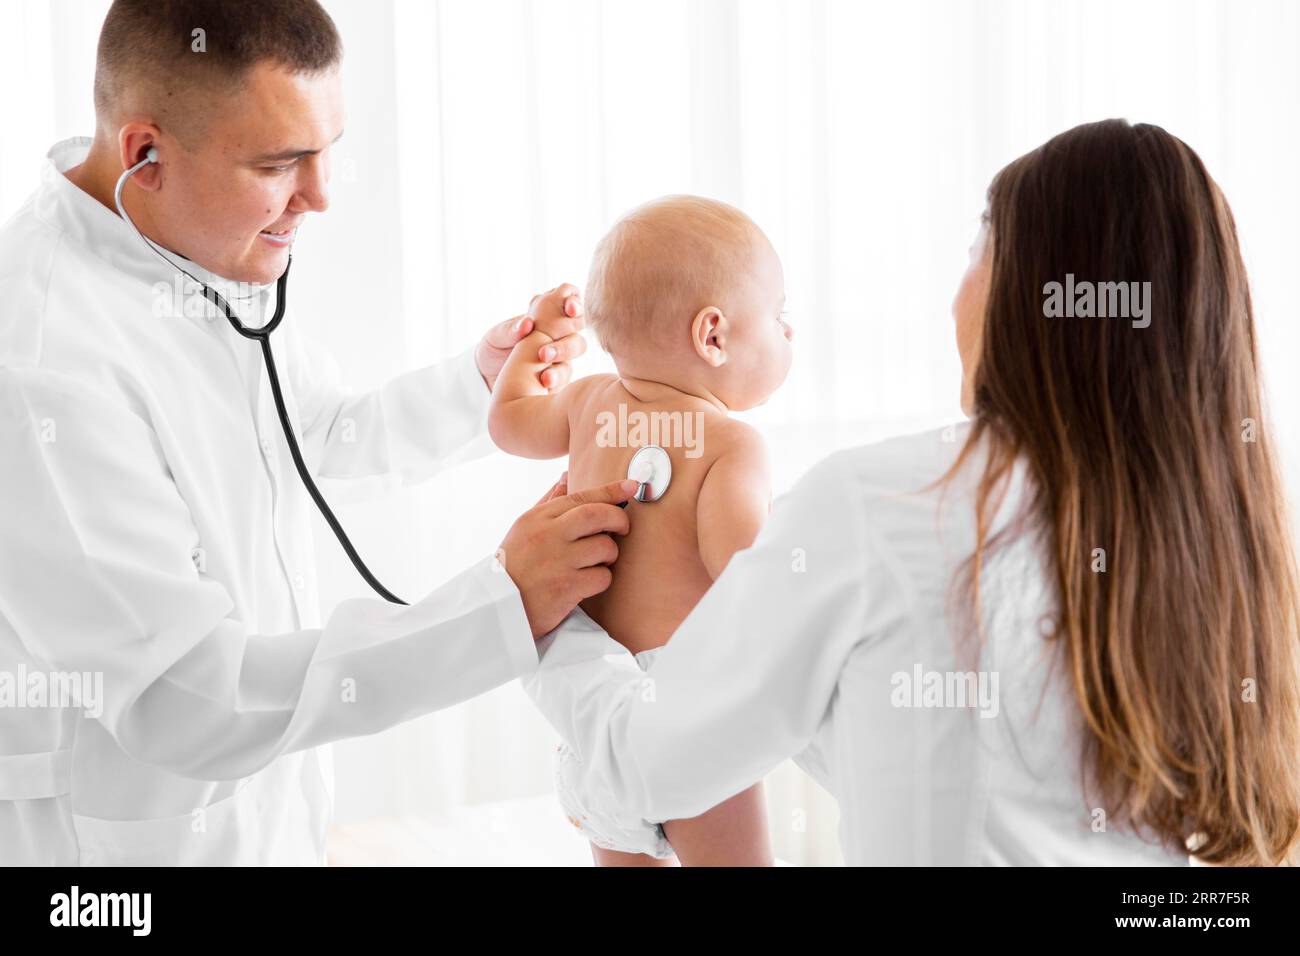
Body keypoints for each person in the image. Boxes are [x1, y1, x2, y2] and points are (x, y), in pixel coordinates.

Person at [525, 120, 1300, 866]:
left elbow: (647, 765)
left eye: (976, 247)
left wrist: (539, 618)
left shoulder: (879, 507)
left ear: (1030, 292)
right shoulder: (1232, 549)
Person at [0, 0, 634, 866]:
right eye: (279, 164)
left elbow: (315, 439)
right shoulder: (41, 361)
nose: (321, 195)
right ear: (144, 154)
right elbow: (184, 697)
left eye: (328, 147)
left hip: (274, 829)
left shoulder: (187, 245)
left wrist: (481, 384)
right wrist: (501, 604)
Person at [491, 196, 793, 865]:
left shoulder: (589, 402)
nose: (788, 333)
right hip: (690, 716)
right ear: (713, 336)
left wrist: (532, 351)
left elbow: (508, 421)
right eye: (778, 317)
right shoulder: (730, 445)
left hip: (596, 717)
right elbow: (751, 579)